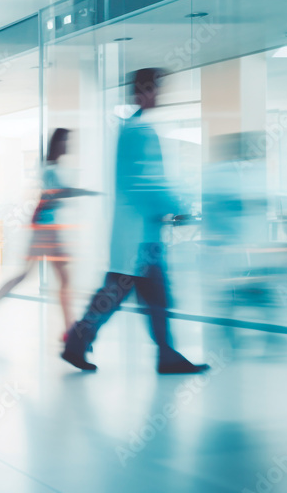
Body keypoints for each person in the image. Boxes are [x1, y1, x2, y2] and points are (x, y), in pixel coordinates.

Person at [61, 68, 209, 375]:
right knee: (134, 296)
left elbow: (143, 182)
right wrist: (179, 206)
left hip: (136, 234)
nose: (160, 95)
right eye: (157, 89)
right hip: (142, 237)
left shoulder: (129, 129)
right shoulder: (141, 132)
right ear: (147, 91)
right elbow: (148, 183)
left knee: (130, 296)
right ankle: (83, 343)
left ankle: (82, 343)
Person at [0, 129, 96, 337]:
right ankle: (68, 329)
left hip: (47, 229)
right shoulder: (49, 169)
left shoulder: (52, 168)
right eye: (66, 141)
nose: (68, 145)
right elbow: (55, 194)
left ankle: (68, 328)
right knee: (59, 279)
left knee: (44, 277)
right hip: (46, 230)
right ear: (57, 143)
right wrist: (82, 192)